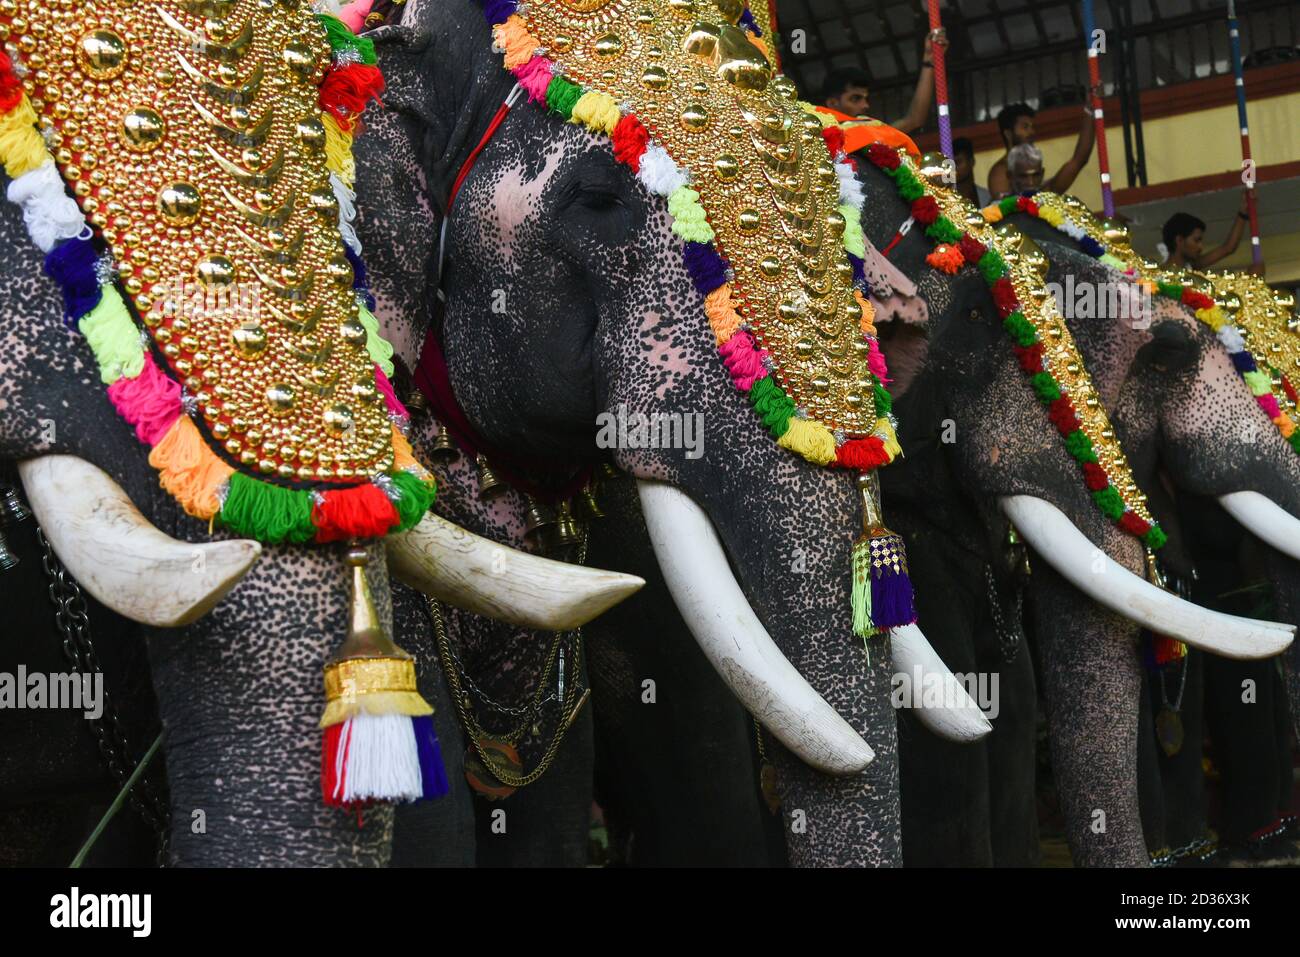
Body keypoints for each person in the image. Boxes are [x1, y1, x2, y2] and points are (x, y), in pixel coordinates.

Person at [820, 30, 948, 135]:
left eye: (865, 98)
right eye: (855, 99)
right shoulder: (815, 140)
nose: (865, 105)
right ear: (832, 103)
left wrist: (929, 62)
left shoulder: (872, 132)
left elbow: (914, 120)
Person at [987, 102, 1095, 199]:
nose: (1032, 132)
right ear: (1008, 134)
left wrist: (1089, 111)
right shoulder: (1000, 172)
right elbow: (1005, 212)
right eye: (1025, 127)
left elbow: (1079, 160)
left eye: (1036, 175)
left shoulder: (1043, 191)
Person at [1161, 194, 1252, 269]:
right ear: (1179, 240)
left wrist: (1243, 212)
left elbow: (1228, 248)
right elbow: (1228, 248)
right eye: (1196, 240)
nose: (1201, 247)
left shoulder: (1191, 267)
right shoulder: (1153, 279)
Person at [953, 137, 990, 208]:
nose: (953, 168)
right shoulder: (946, 200)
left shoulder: (987, 196)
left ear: (971, 161)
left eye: (958, 162)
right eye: (949, 164)